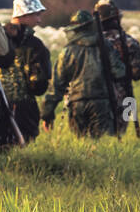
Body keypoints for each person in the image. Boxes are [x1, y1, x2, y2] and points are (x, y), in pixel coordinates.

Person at [42, 10, 128, 139]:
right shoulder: (105, 46)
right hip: (102, 104)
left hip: (77, 104)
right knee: (103, 147)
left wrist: (47, 114)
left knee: (81, 147)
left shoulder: (67, 52)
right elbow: (119, 72)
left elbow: (56, 86)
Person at [0, 0, 52, 144]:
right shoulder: (35, 45)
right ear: (25, 15)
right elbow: (38, 86)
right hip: (24, 110)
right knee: (23, 150)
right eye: (37, 14)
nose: (39, 20)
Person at [93, 0, 140, 135]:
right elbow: (139, 72)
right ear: (117, 18)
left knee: (92, 137)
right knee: (117, 137)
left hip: (91, 96)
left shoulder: (87, 43)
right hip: (123, 97)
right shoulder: (129, 42)